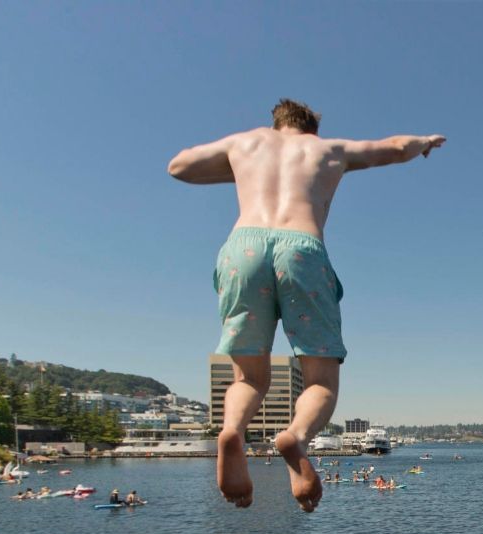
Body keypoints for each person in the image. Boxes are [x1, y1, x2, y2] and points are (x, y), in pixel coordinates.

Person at [169, 98, 445, 511]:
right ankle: (295, 436)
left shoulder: (244, 143)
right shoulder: (328, 149)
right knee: (320, 380)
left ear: (275, 123)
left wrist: (238, 171)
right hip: (302, 250)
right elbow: (392, 147)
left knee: (249, 378)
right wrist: (423, 141)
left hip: (242, 248)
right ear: (311, 129)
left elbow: (180, 166)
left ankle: (231, 431)